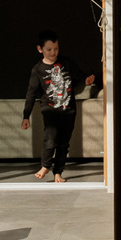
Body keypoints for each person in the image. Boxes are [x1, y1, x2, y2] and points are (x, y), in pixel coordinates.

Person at [20, 29, 96, 183]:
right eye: (49, 50)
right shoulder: (37, 70)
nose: (53, 52)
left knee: (63, 143)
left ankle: (58, 173)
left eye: (56, 49)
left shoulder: (66, 62)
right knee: (50, 138)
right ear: (40, 49)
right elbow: (31, 93)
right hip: (50, 111)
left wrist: (87, 81)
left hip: (69, 110)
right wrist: (26, 116)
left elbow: (80, 76)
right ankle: (45, 165)